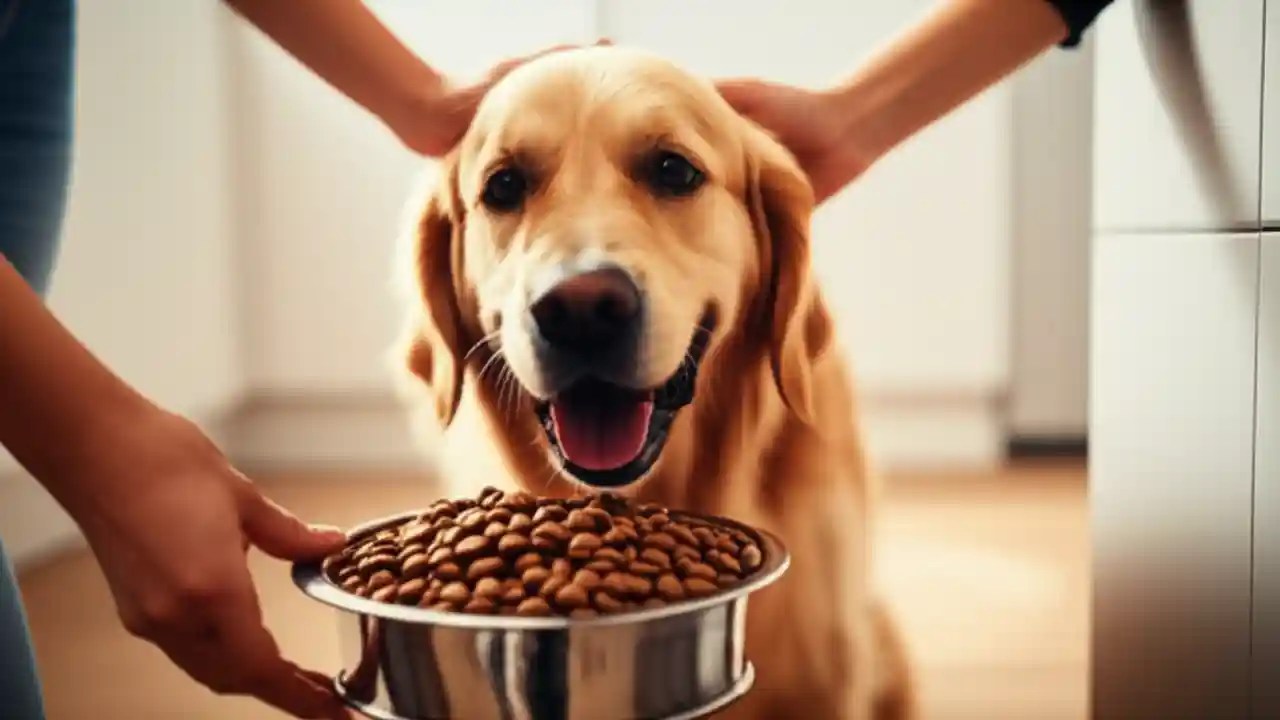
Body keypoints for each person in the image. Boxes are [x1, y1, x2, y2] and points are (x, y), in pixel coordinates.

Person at [0, 0, 1110, 717]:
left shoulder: (793, 347)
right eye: (505, 187)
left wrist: (422, 101)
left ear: (773, 251)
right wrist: (92, 443)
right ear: (449, 283)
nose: (578, 285)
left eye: (669, 173)